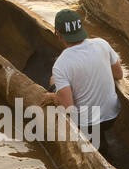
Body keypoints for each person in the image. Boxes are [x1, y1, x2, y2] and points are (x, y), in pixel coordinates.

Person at [42, 10, 123, 157]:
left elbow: (69, 109)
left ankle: (94, 145)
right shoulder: (102, 43)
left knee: (53, 80)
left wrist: (52, 97)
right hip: (113, 115)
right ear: (81, 29)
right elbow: (119, 74)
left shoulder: (61, 65)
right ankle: (100, 141)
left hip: (88, 124)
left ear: (58, 35)